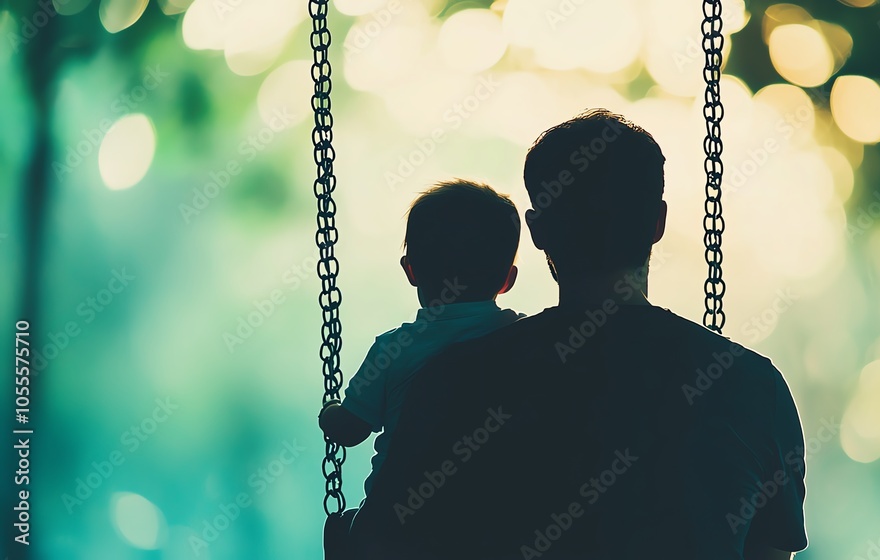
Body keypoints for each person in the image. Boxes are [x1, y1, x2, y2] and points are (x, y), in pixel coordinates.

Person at [348, 109, 808, 560]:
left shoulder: (456, 377)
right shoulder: (752, 386)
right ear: (657, 222)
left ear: (537, 231)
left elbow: (379, 544)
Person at [318, 179, 523, 502]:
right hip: (491, 510)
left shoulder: (392, 351)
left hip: (396, 517)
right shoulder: (524, 336)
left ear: (410, 270)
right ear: (507, 280)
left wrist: (330, 412)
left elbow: (349, 430)